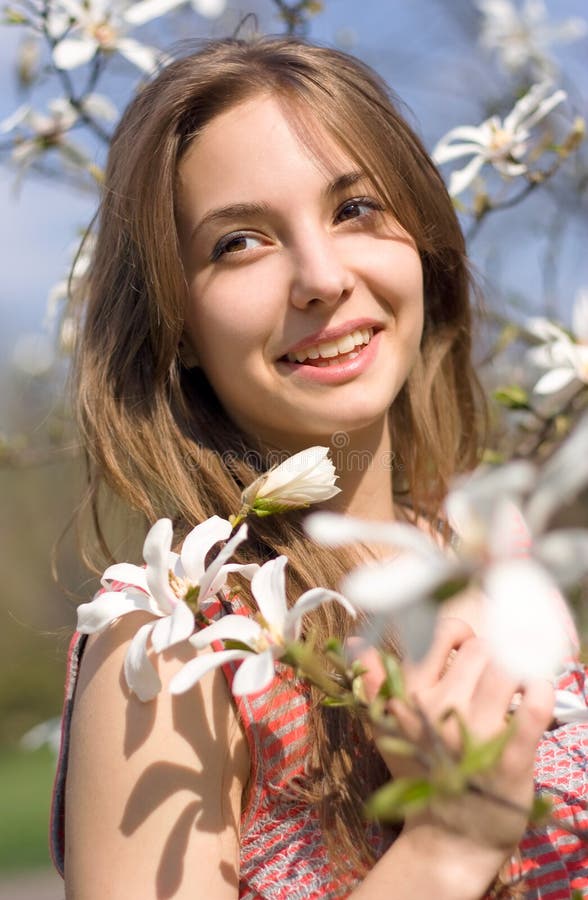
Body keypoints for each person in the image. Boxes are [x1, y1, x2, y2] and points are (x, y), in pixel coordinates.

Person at [50, 37, 588, 899]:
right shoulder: (174, 644)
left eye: (356, 209)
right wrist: (448, 846)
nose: (323, 277)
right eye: (238, 242)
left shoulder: (498, 556)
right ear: (176, 325)